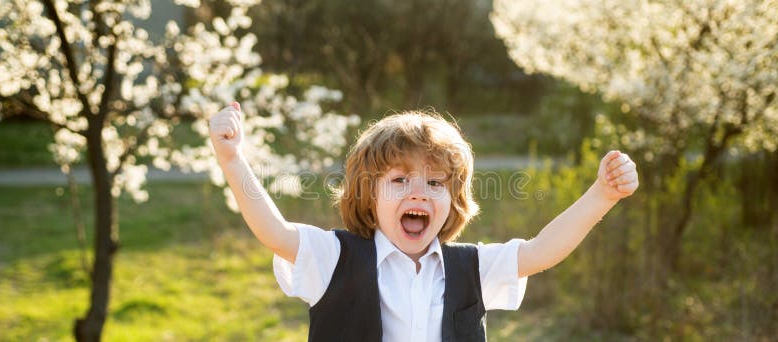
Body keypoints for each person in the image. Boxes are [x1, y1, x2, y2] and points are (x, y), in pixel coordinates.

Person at [209, 103, 639, 342]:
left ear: (452, 201)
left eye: (435, 182)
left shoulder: (470, 267)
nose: (418, 193)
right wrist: (232, 158)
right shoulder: (334, 258)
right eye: (399, 180)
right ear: (368, 195)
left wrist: (601, 194)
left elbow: (542, 250)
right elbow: (274, 231)